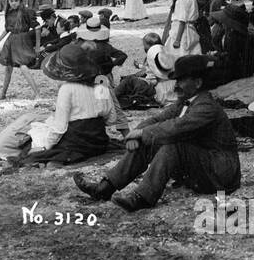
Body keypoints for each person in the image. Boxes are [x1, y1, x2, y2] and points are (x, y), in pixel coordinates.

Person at [74, 55, 240, 211]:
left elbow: (176, 127)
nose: (176, 85)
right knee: (151, 138)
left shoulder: (206, 107)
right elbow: (158, 119)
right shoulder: (185, 102)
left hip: (220, 175)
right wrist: (139, 132)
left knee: (172, 145)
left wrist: (142, 133)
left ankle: (143, 198)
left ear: (197, 83)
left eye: (181, 80)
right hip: (202, 166)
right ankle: (105, 188)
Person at [0, 0, 40, 99]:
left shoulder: (27, 12)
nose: (13, 3)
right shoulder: (9, 13)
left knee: (23, 66)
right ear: (8, 2)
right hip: (11, 40)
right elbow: (7, 29)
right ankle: (3, 94)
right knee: (8, 68)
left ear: (20, 1)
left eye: (16, 1)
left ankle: (37, 93)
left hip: (22, 40)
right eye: (11, 1)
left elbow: (37, 28)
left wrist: (37, 45)